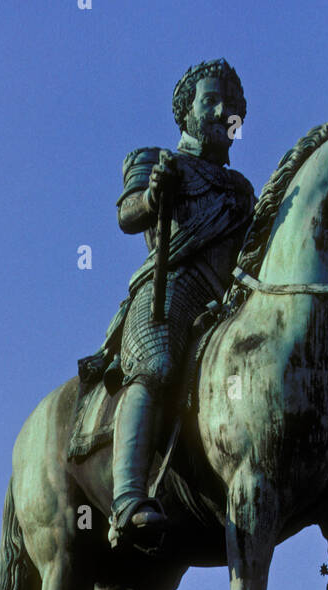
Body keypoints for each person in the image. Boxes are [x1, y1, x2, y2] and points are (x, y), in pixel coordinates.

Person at [82, 59, 255, 548]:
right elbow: (127, 213)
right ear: (185, 113)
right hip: (171, 287)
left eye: (233, 107)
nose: (225, 112)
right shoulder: (158, 159)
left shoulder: (243, 192)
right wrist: (153, 196)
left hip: (227, 302)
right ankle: (128, 500)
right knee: (155, 365)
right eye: (212, 101)